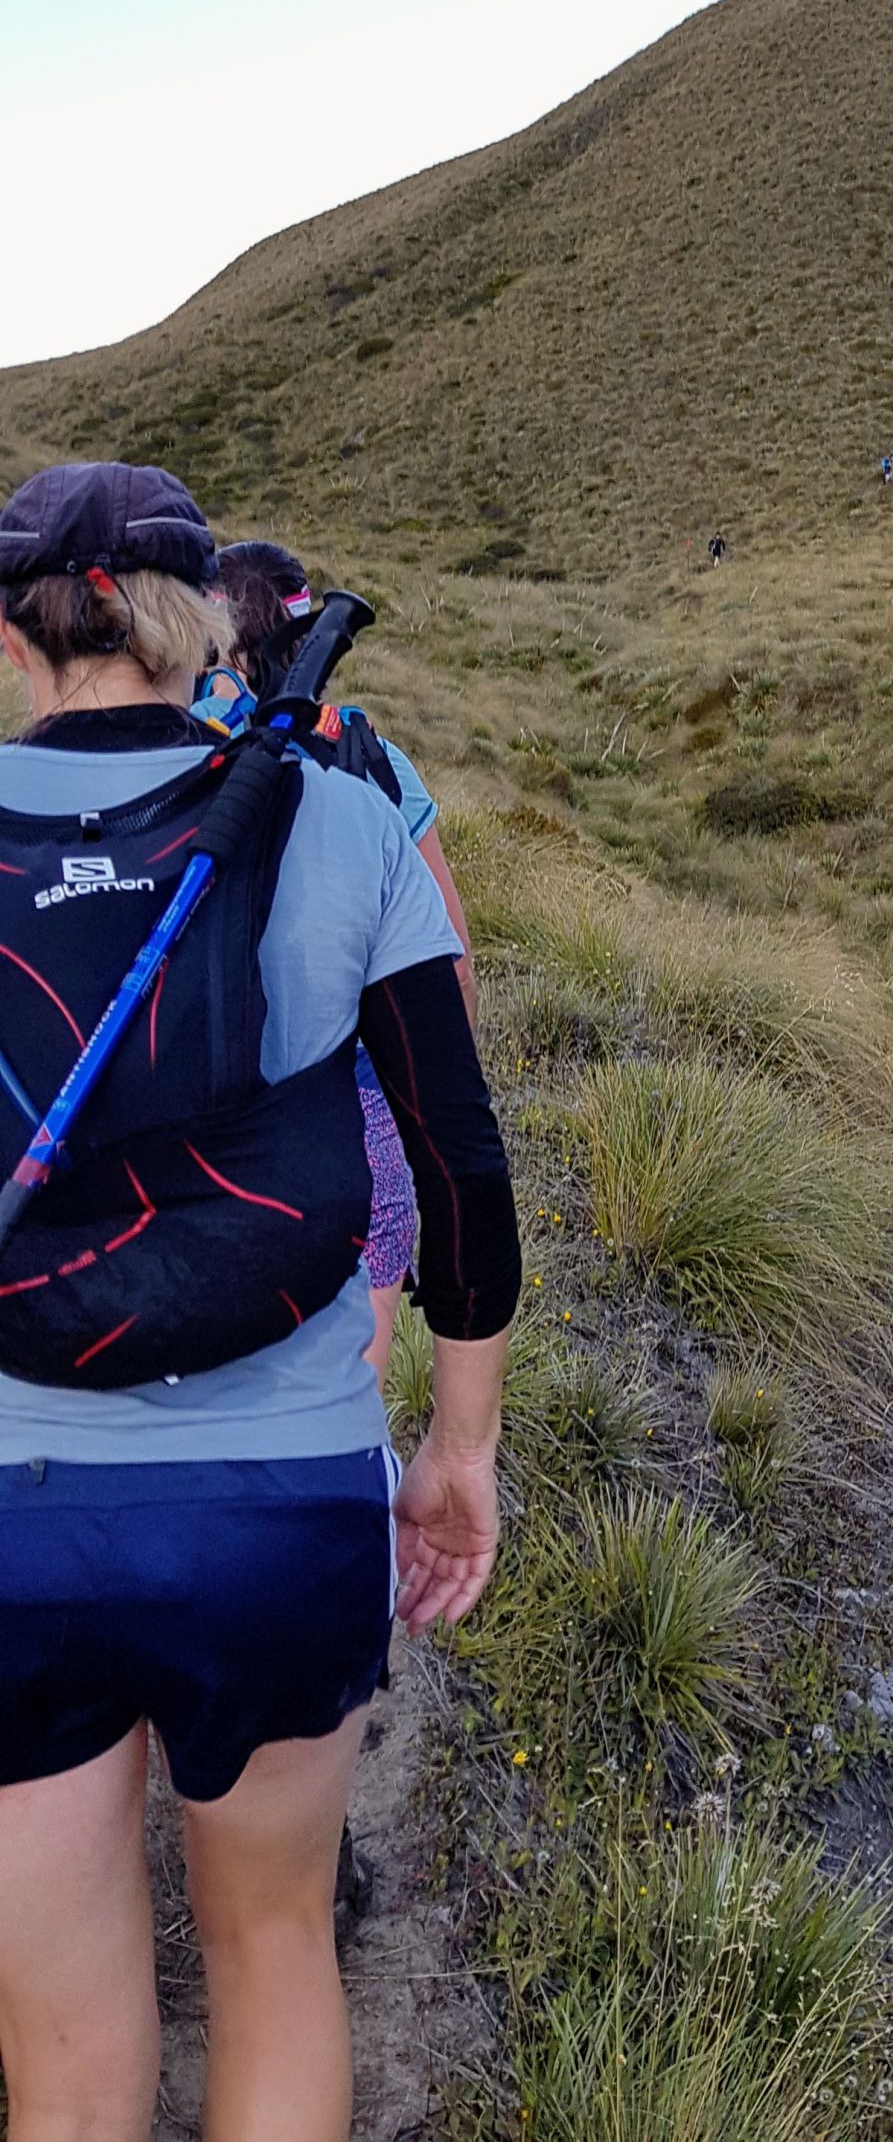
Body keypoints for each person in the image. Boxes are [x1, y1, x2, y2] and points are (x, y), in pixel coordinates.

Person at [0, 461, 519, 2142]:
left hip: (18, 1516)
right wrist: (457, 1451)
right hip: (287, 1498)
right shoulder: (348, 815)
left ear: (16, 632)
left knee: (67, 2075)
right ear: (196, 619)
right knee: (275, 1943)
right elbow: (460, 1178)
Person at [203, 540, 479, 1380]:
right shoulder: (373, 761)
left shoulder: (170, 752)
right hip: (359, 1102)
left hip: (202, 1096)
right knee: (351, 1381)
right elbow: (451, 962)